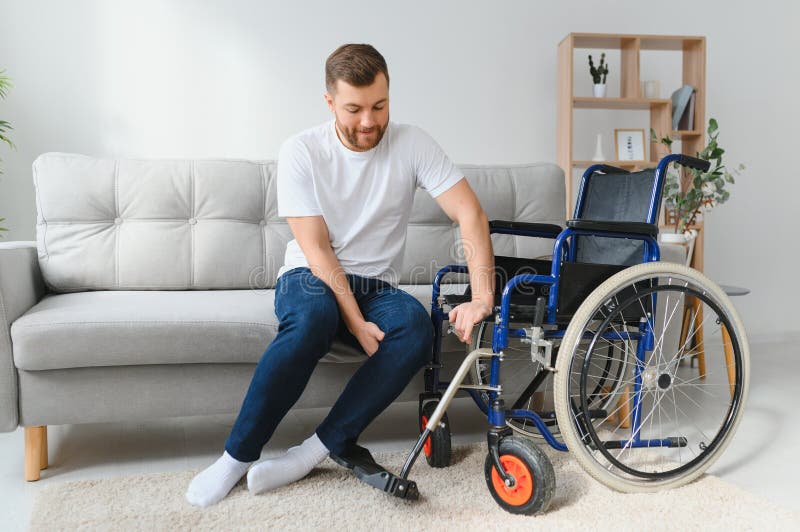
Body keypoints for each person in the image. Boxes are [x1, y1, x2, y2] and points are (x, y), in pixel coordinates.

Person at [186, 43, 494, 507]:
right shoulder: (301, 150)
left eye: (379, 106)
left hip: (376, 285)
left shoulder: (413, 144)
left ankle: (311, 452)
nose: (369, 121)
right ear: (330, 102)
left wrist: (482, 297)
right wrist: (354, 322)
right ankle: (236, 457)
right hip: (310, 274)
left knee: (415, 328)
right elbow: (318, 250)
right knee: (312, 319)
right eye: (354, 109)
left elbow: (469, 213)